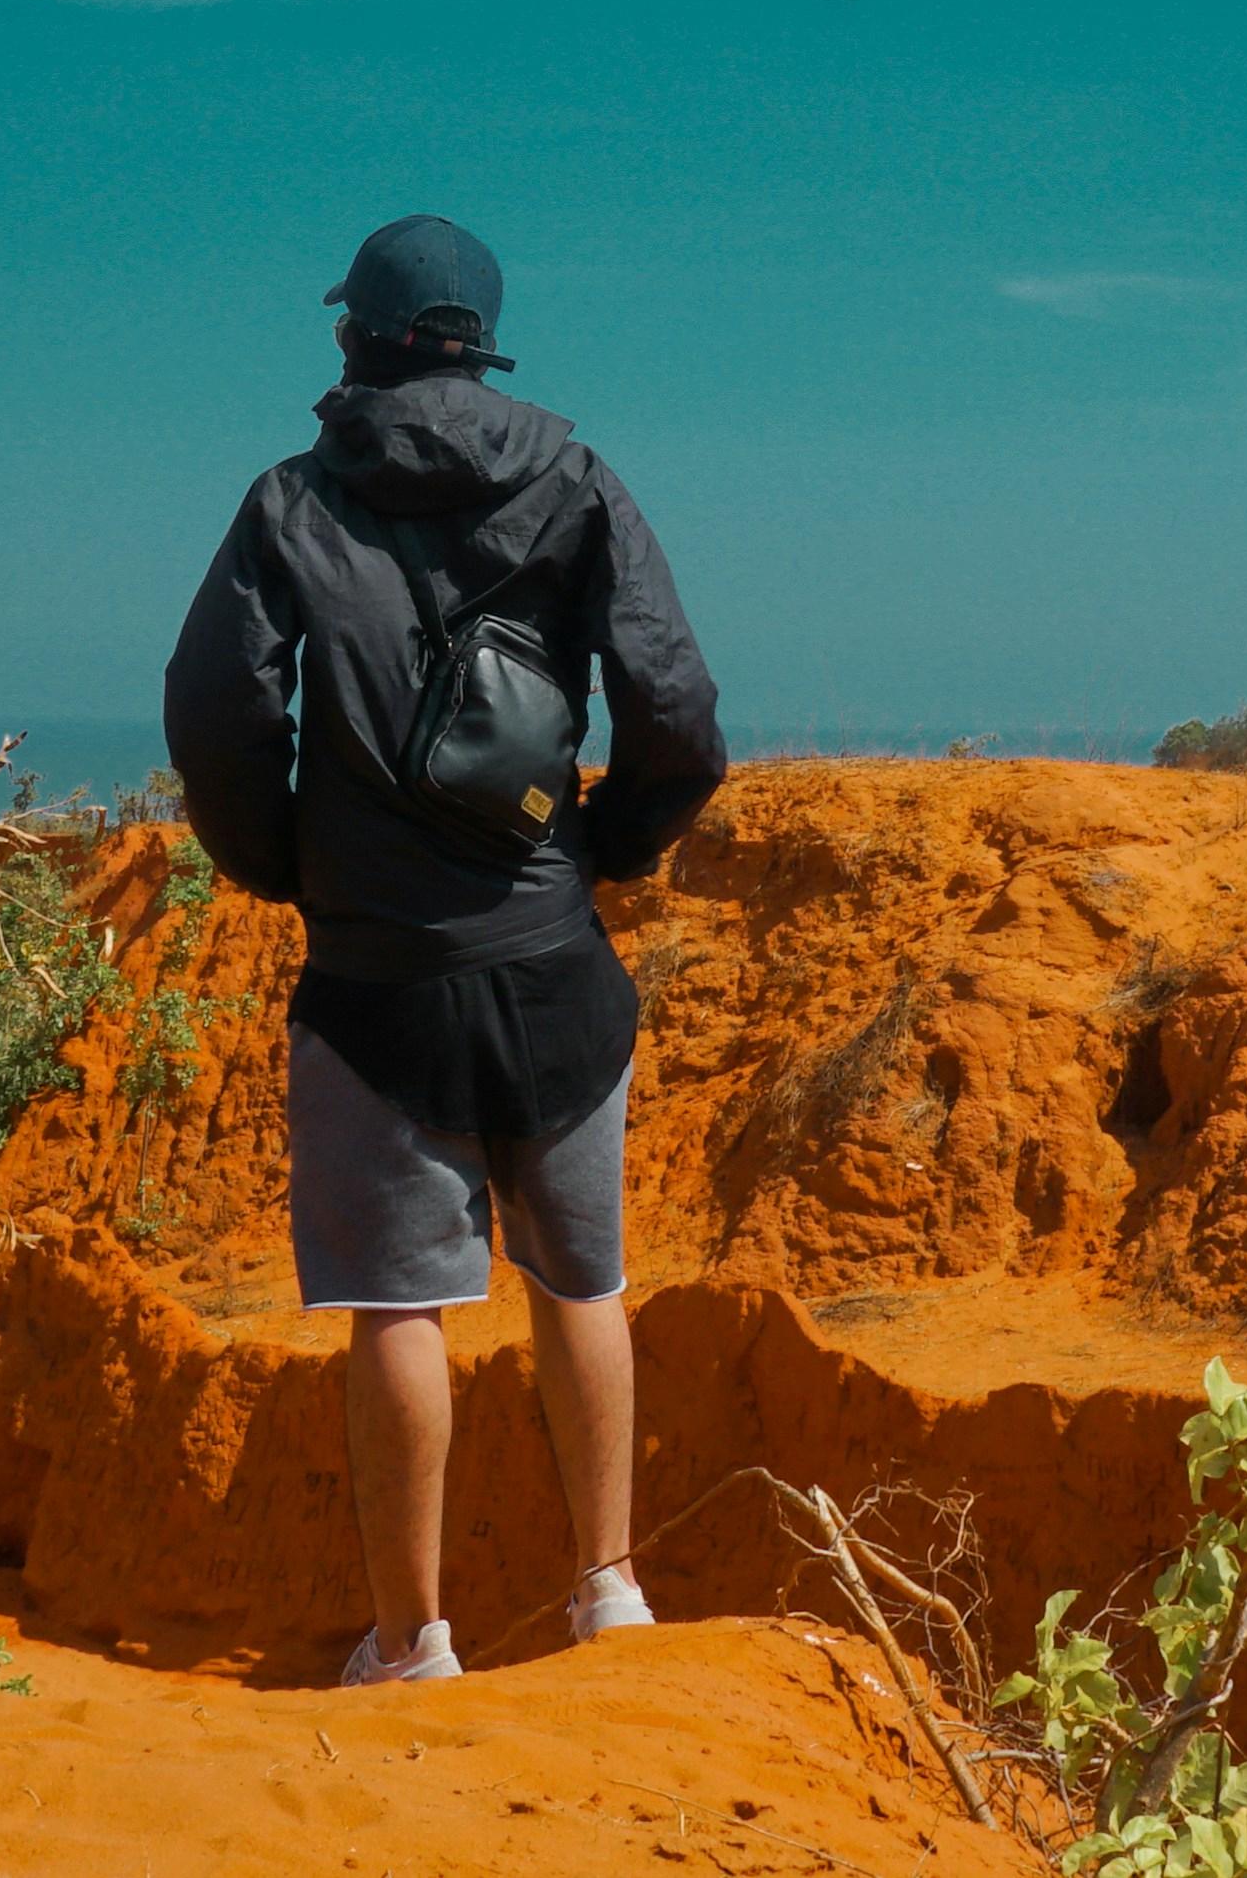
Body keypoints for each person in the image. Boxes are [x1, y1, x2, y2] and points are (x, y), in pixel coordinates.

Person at [166, 215, 727, 1686]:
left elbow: (216, 713)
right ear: (483, 343)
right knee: (581, 1282)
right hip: (554, 962)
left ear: (356, 335)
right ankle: (608, 1591)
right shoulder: (576, 478)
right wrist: (607, 849)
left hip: (376, 983)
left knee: (398, 1307)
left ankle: (413, 1639)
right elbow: (673, 705)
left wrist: (286, 869)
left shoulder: (292, 500)